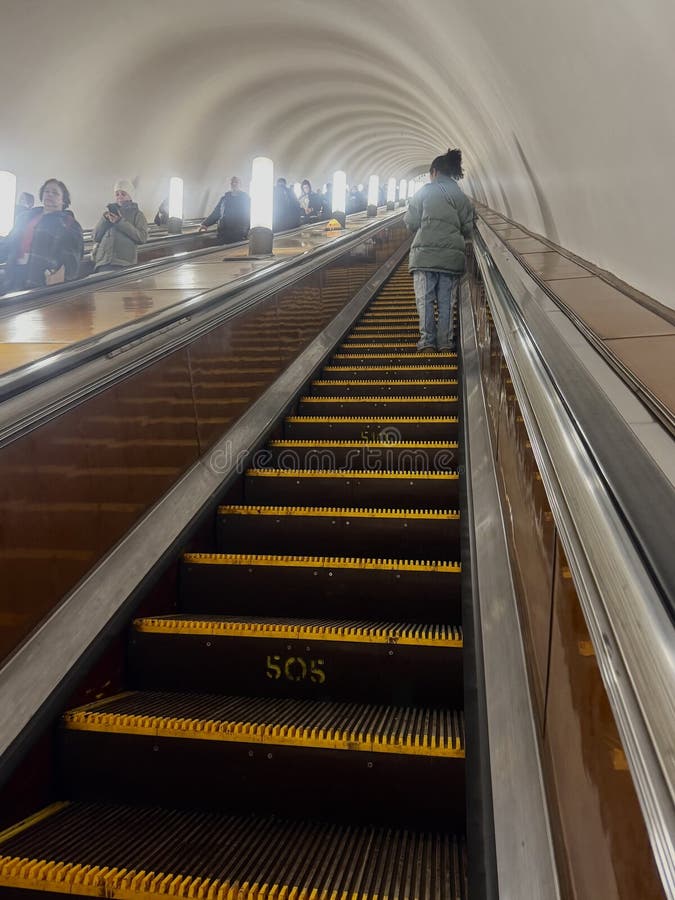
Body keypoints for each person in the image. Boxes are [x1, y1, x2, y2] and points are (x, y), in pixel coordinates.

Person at [404, 148, 474, 352]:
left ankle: (427, 343)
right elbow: (467, 227)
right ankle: (445, 343)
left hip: (424, 257)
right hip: (451, 259)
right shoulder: (460, 196)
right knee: (446, 302)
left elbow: (410, 222)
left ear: (434, 172)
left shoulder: (424, 191)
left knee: (425, 301)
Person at [2, 178, 83, 292]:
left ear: (63, 200)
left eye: (55, 193)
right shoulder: (25, 217)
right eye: (46, 191)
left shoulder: (68, 224)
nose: (49, 194)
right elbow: (9, 242)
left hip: (40, 280)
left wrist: (57, 275)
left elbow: (72, 259)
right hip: (14, 274)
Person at [92, 179, 148, 272]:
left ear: (130, 196)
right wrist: (105, 220)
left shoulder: (137, 214)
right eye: (117, 194)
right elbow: (95, 237)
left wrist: (120, 222)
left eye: (123, 194)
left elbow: (142, 237)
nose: (120, 197)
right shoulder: (109, 213)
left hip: (123, 263)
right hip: (103, 262)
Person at [199, 176, 250, 243]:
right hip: (223, 233)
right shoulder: (224, 199)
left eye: (236, 182)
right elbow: (216, 213)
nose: (234, 184)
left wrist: (249, 230)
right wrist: (205, 224)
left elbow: (249, 215)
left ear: (240, 185)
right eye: (232, 182)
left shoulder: (245, 199)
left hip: (239, 234)